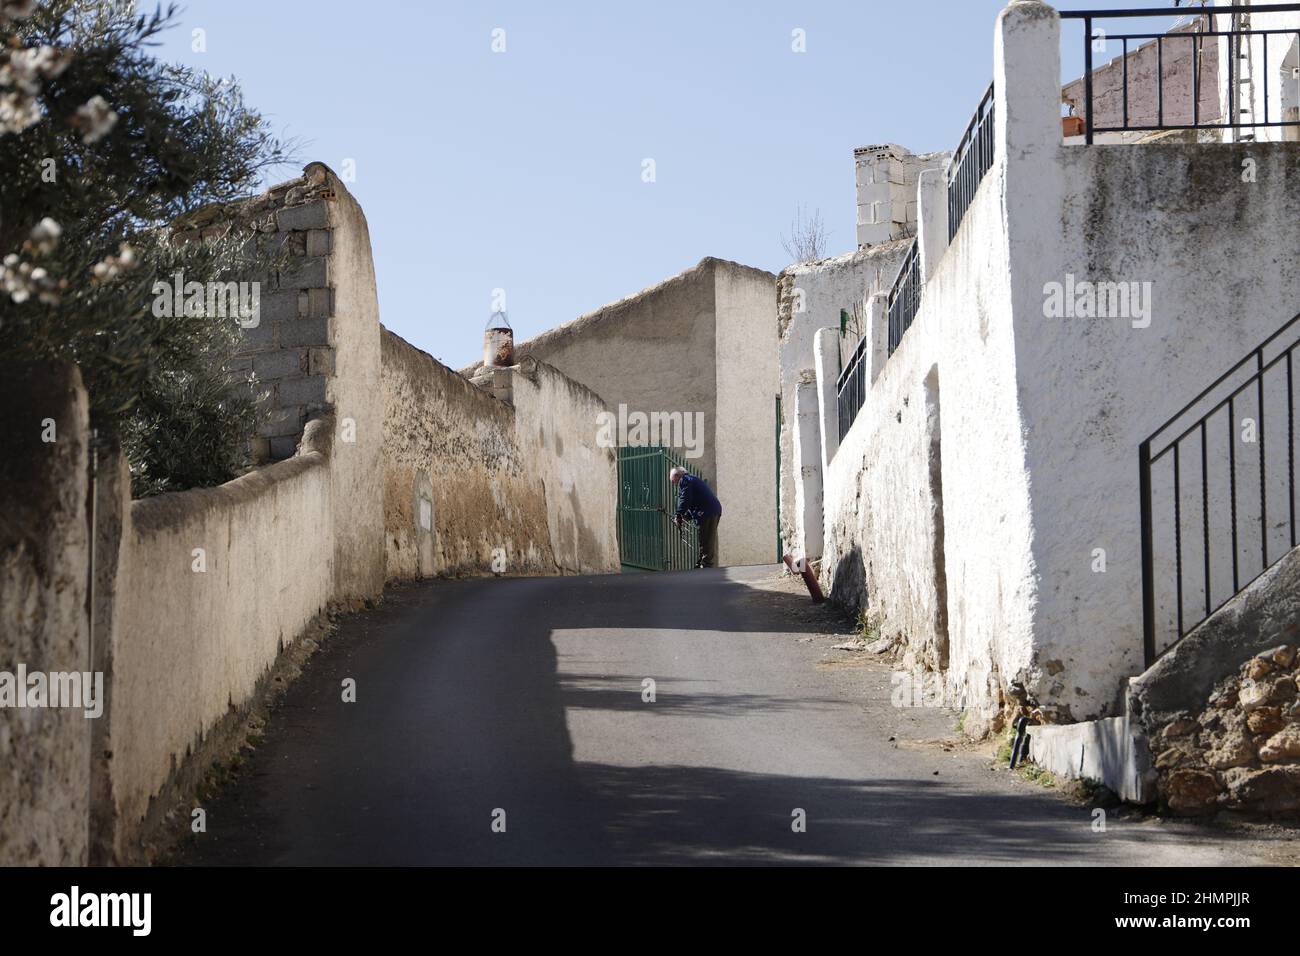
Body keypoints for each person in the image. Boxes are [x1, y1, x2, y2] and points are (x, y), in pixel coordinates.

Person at [669, 467, 722, 569]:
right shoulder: (691, 479)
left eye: (673, 481)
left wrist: (679, 515)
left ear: (677, 476)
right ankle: (703, 562)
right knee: (705, 537)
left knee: (706, 538)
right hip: (712, 509)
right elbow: (693, 501)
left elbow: (685, 499)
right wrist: (686, 516)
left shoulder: (685, 480)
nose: (674, 484)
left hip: (707, 511)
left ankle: (706, 564)